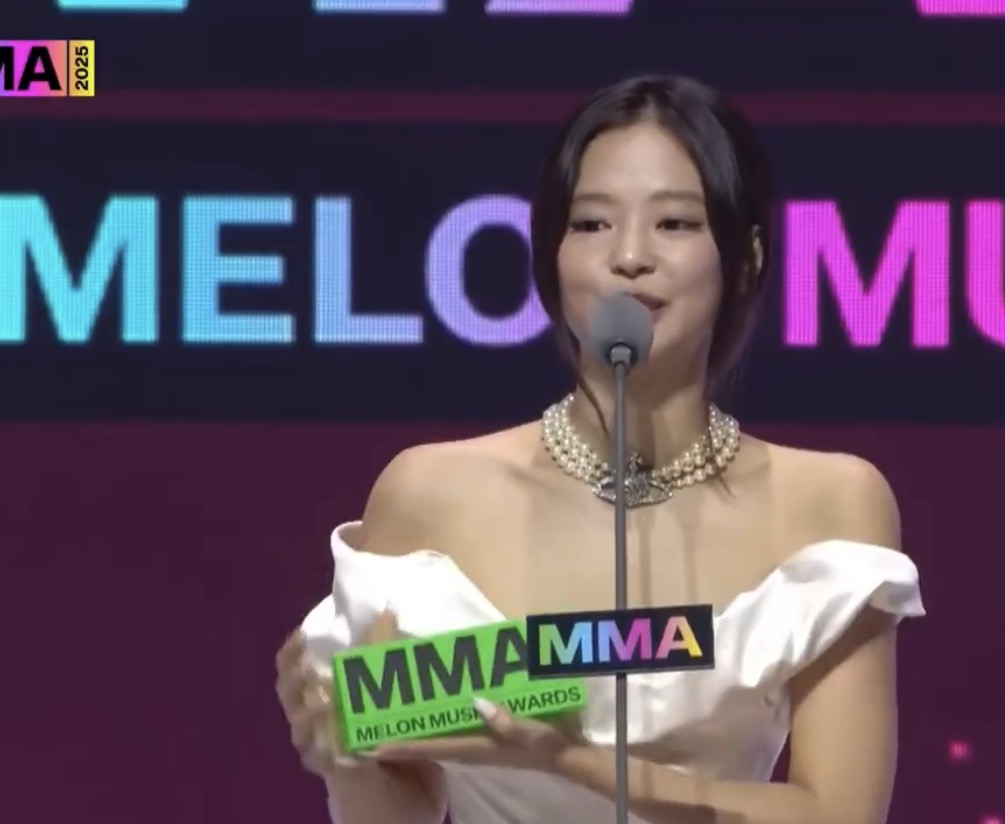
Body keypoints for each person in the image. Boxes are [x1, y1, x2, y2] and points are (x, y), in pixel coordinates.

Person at [274, 74, 925, 824]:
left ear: (746, 258)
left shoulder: (827, 504)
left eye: (675, 223)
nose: (629, 256)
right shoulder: (429, 494)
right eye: (590, 224)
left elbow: (839, 814)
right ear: (550, 257)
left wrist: (570, 762)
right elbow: (402, 807)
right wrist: (343, 758)